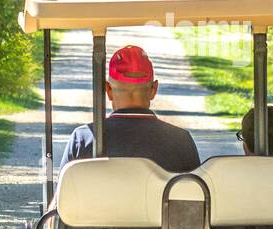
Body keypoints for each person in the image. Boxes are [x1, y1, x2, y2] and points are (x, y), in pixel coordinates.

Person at [61, 44, 199, 171]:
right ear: (154, 89)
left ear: (108, 89)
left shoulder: (83, 139)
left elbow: (62, 196)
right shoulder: (181, 141)